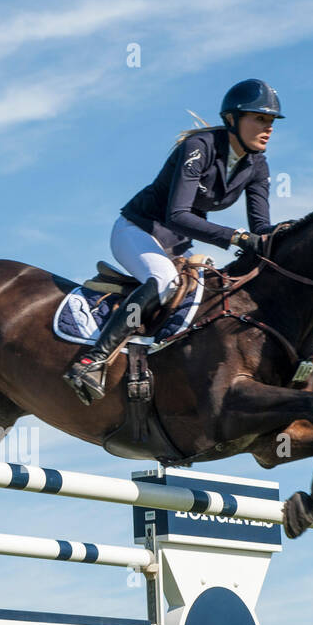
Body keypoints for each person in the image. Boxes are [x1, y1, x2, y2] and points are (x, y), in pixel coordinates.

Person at [64, 79, 283, 404]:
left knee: (205, 295)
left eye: (271, 122)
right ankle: (92, 361)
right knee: (163, 280)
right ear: (233, 120)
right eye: (259, 119)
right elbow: (178, 215)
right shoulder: (200, 147)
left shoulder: (257, 165)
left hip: (177, 243)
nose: (268, 129)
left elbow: (261, 228)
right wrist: (235, 237)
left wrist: (290, 236)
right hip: (138, 229)